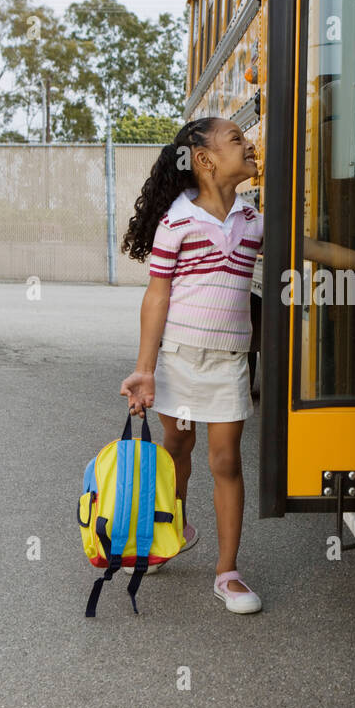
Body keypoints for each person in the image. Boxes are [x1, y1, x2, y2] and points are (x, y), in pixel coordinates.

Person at [119, 116, 264, 613]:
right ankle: (172, 532)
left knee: (225, 460)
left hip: (228, 362)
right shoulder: (176, 221)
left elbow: (303, 249)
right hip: (178, 357)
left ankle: (227, 572)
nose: (250, 145)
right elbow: (157, 295)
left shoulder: (252, 219)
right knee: (176, 445)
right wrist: (145, 368)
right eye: (237, 140)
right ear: (203, 160)